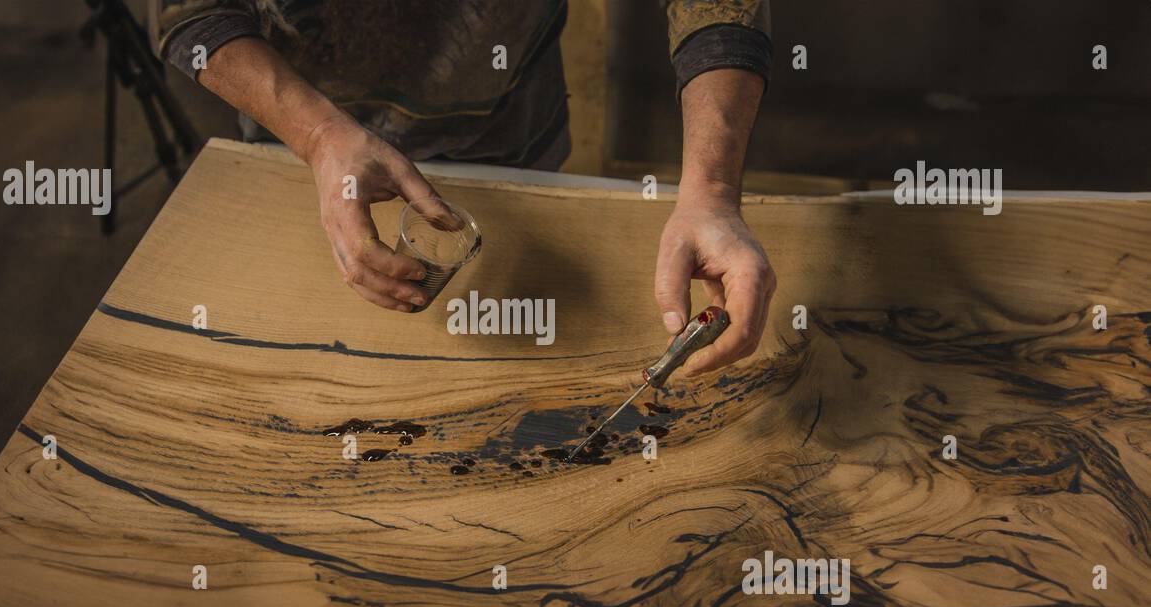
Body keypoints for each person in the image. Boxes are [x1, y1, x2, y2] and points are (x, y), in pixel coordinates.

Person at [153, 0, 775, 375]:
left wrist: (712, 190)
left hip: (509, 131)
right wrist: (317, 138)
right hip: (300, 139)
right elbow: (190, 14)